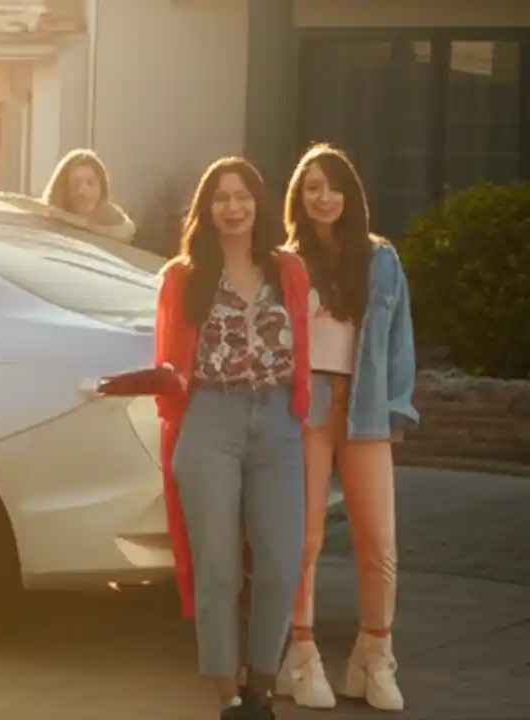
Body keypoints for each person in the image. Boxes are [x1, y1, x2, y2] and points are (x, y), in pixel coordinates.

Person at [154, 157, 311, 719]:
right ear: (206, 209)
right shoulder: (183, 277)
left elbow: (305, 346)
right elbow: (168, 362)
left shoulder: (287, 271)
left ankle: (263, 687)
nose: (233, 206)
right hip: (210, 419)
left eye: (242, 195)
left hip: (276, 422)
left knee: (279, 563)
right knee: (216, 567)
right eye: (220, 197)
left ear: (258, 204)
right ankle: (229, 697)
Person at [275, 143, 417, 712]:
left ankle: (375, 656)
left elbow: (400, 339)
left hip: (364, 409)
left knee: (379, 544)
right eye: (312, 187)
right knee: (304, 540)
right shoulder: (285, 262)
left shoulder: (382, 260)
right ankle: (301, 655)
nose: (323, 197)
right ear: (299, 197)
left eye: (333, 186)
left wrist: (396, 410)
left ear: (350, 195)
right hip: (304, 406)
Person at [41, 148, 136, 244]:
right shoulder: (45, 228)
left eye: (90, 183)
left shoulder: (119, 230)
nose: (83, 191)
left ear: (101, 187)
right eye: (76, 184)